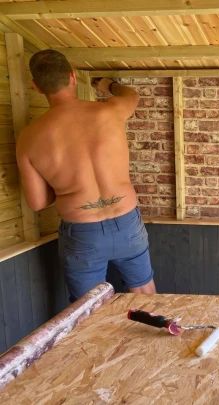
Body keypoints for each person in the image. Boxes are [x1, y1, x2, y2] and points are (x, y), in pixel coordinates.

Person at [16, 49, 156, 301]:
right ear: (72, 76)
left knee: (86, 311)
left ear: (36, 87)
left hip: (82, 233)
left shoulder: (29, 138)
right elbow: (132, 96)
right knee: (146, 295)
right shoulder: (109, 111)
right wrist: (108, 84)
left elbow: (37, 202)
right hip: (126, 223)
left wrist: (67, 186)